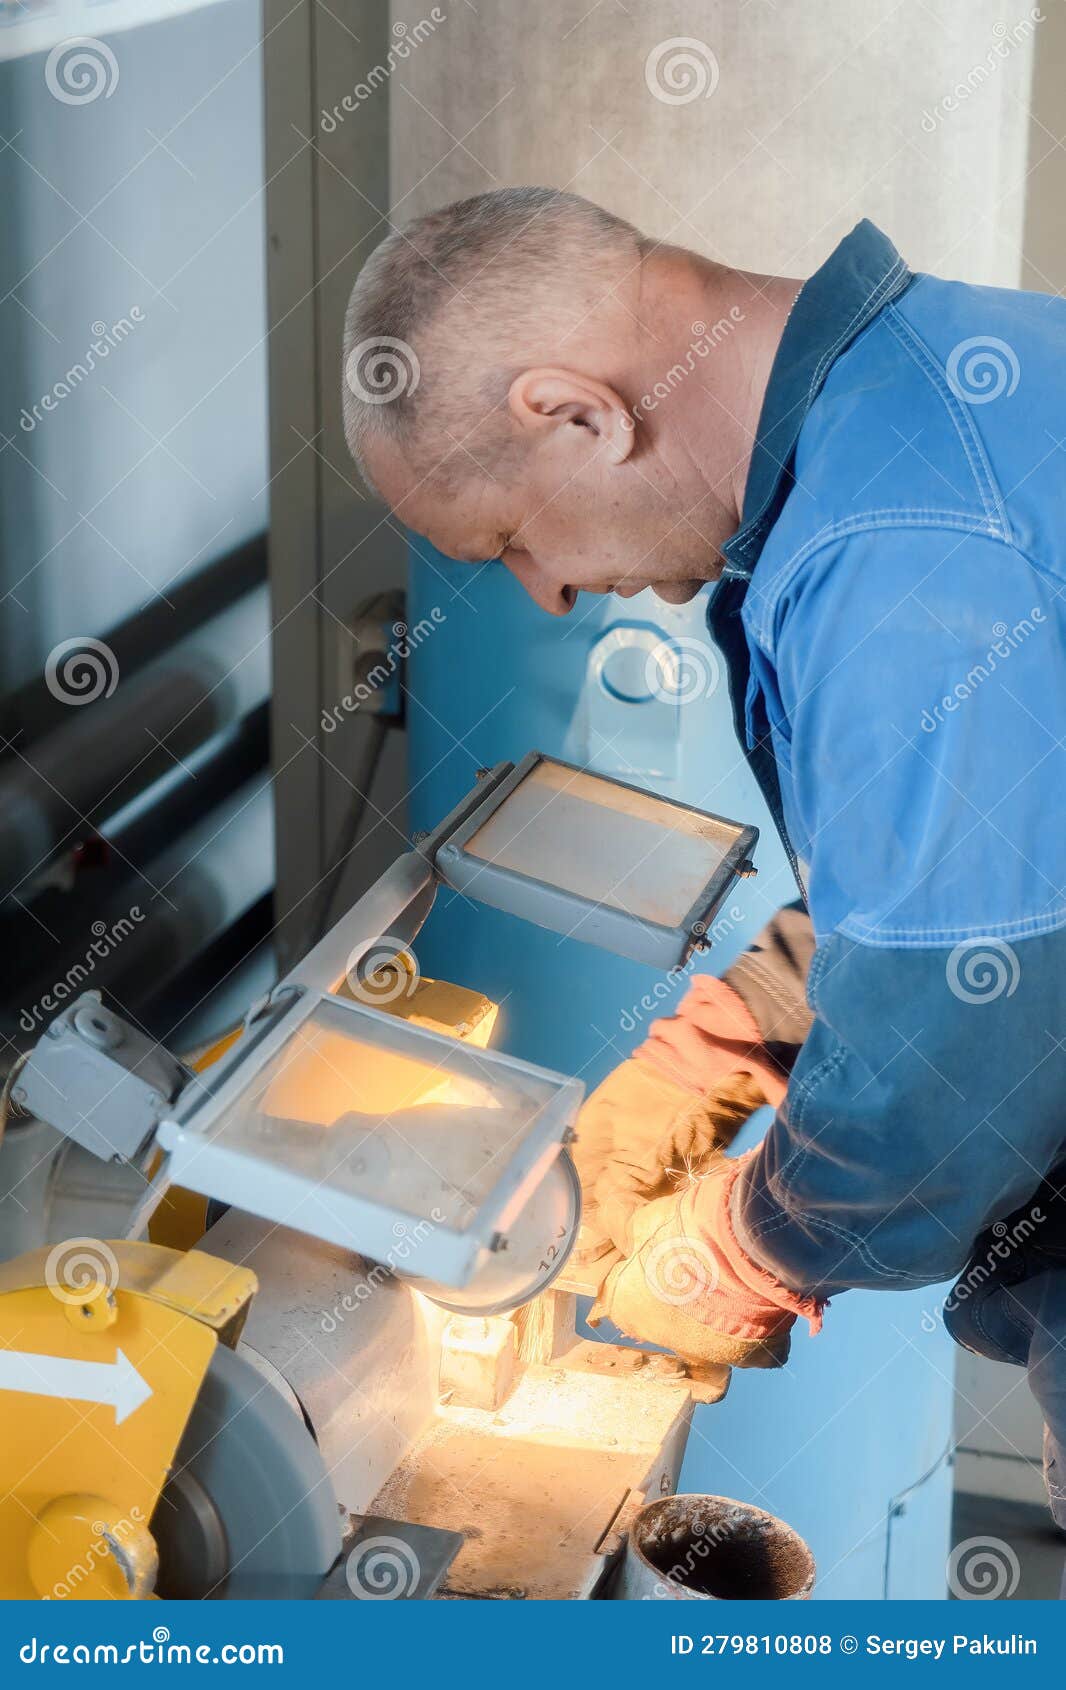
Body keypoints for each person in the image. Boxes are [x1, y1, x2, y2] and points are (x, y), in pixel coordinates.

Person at [342, 187, 1066, 1526]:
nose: (545, 590)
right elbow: (1014, 875)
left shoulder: (889, 553)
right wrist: (739, 1020)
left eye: (508, 539)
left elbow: (961, 1066)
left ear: (578, 412)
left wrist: (741, 1243)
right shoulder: (938, 391)